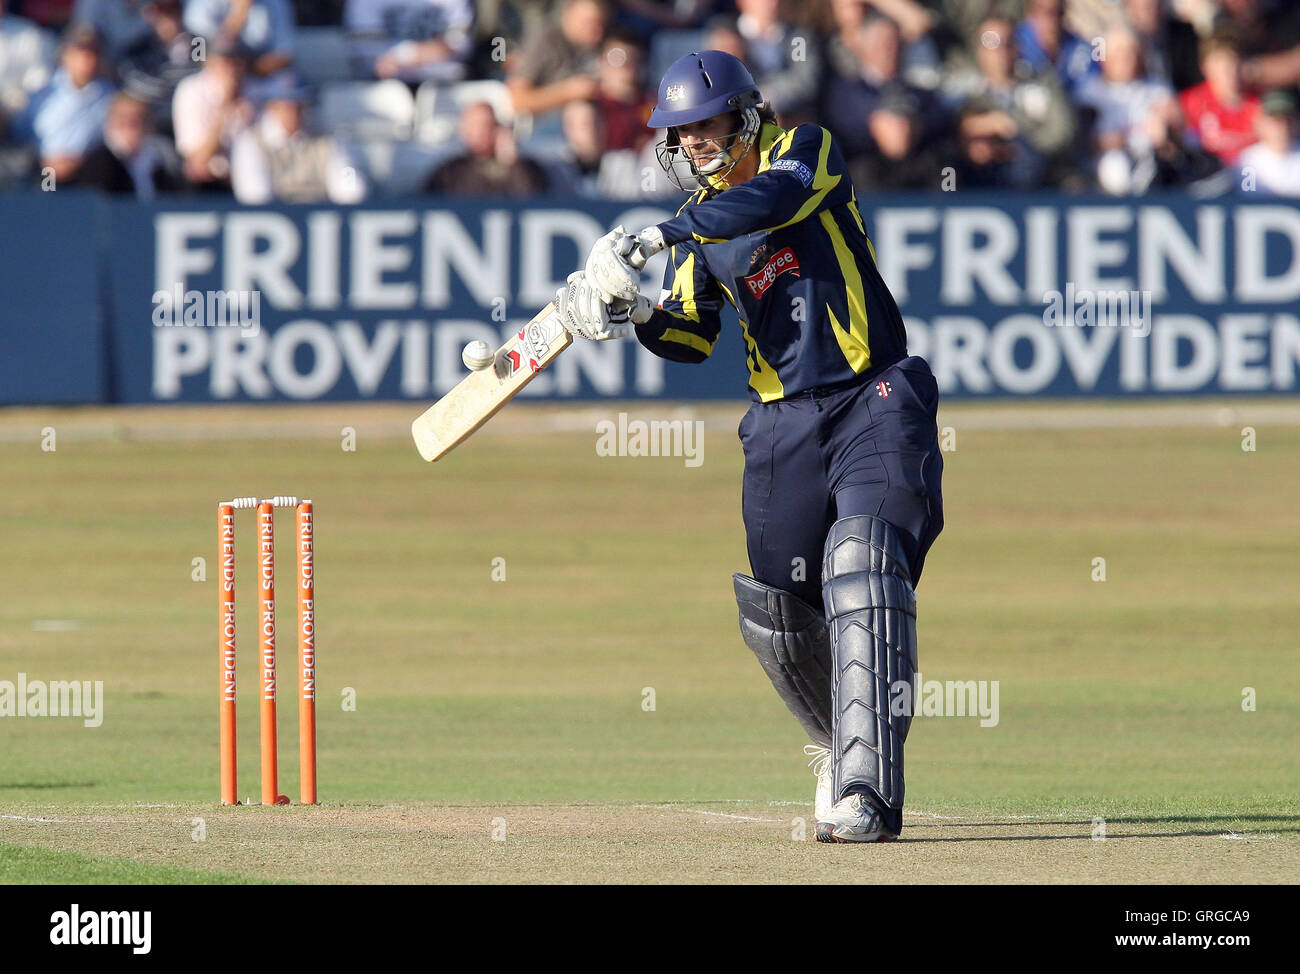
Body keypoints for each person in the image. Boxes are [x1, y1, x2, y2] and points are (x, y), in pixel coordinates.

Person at [552, 50, 944, 843]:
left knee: (862, 567)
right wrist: (636, 316)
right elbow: (693, 337)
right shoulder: (701, 224)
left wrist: (656, 235)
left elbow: (776, 199)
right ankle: (841, 743)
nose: (694, 140)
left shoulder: (806, 152)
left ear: (747, 115)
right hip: (779, 428)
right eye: (680, 130)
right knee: (780, 615)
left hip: (874, 398)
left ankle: (866, 790)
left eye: (706, 123)